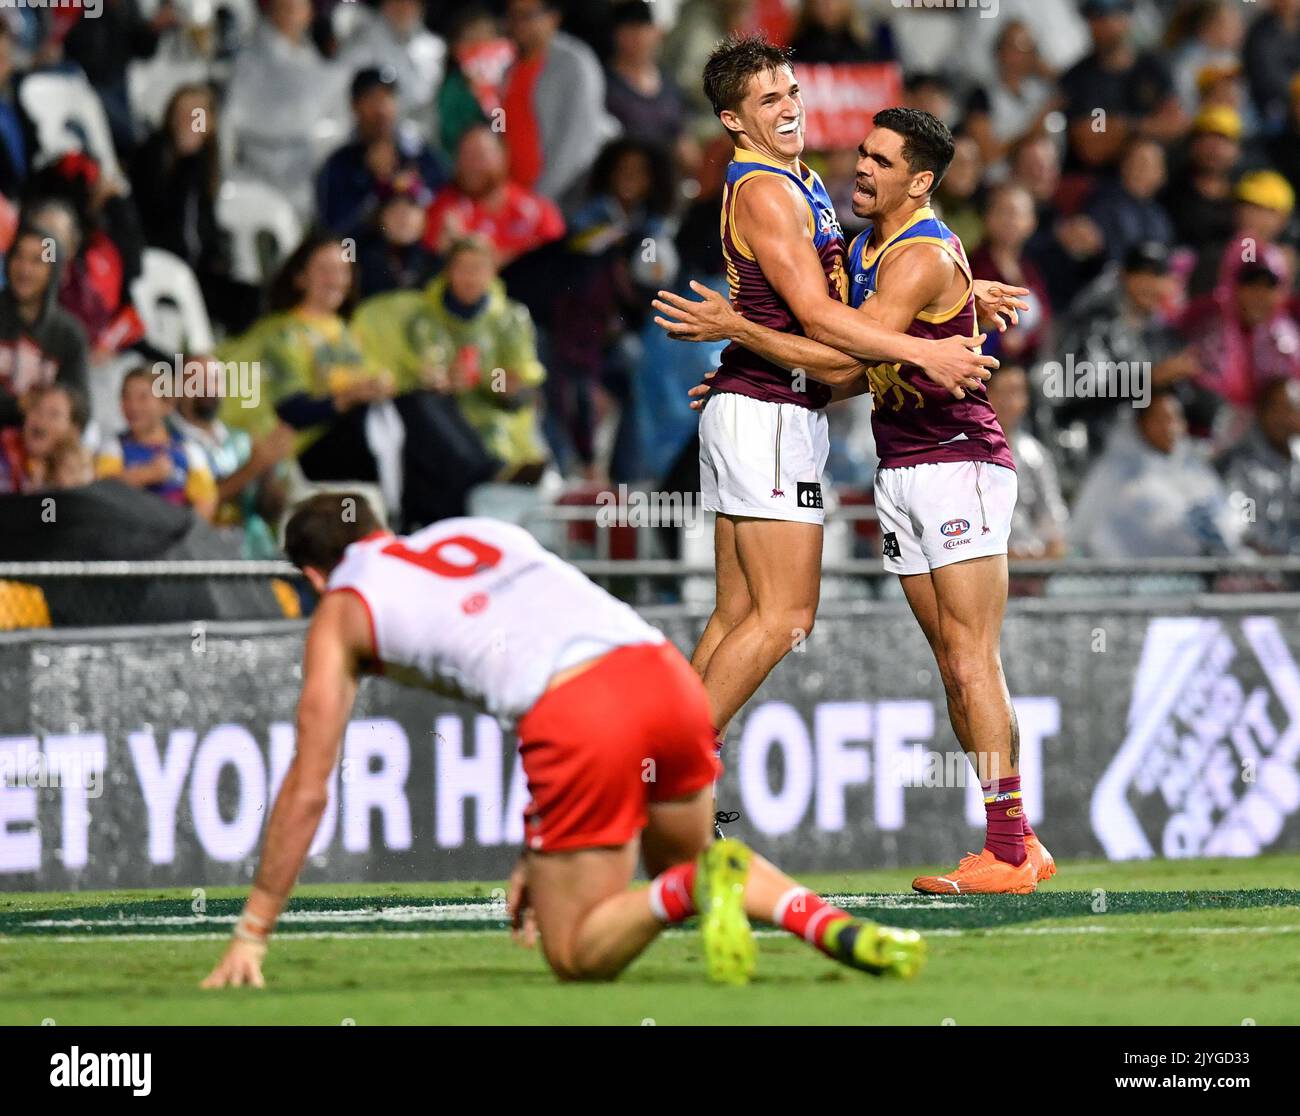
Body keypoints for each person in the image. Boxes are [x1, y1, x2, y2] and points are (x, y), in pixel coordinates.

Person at [199, 493, 926, 988]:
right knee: (688, 869)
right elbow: (547, 635)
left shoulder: (342, 608)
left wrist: (254, 928)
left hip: (581, 714)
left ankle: (705, 879)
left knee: (577, 954)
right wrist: (538, 849)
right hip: (663, 678)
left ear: (314, 573)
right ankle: (832, 926)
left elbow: (309, 781)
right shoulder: (477, 533)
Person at [654, 105, 1053, 893]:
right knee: (952, 662)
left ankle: (1009, 849)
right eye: (862, 154)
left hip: (957, 463)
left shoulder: (914, 256)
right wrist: (747, 369)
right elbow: (864, 342)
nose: (861, 168)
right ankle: (1016, 841)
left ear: (922, 181)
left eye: (880, 160)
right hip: (901, 468)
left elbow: (840, 369)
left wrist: (739, 338)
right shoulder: (875, 245)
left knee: (972, 657)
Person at [352, 236, 549, 480]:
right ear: (448, 271)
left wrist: (483, 379)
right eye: (462, 268)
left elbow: (524, 394)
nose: (470, 277)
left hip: (499, 426)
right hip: (442, 421)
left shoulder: (511, 320)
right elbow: (408, 375)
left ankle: (500, 472)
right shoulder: (422, 318)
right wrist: (435, 380)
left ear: (492, 272)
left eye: (478, 268)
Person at [1070, 389, 1243, 558]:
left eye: (1174, 418)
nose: (1169, 427)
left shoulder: (1194, 469)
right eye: (1159, 419)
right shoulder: (1115, 472)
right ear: (1140, 424)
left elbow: (1226, 520)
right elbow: (1090, 535)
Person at [500, 0, 617, 207]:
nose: (518, 24)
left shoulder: (574, 62)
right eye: (513, 16)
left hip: (559, 203)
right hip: (510, 202)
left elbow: (577, 141)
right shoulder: (506, 65)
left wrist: (539, 200)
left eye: (527, 16)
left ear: (553, 18)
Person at [315, 66, 447, 240]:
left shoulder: (418, 152)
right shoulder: (340, 163)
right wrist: (372, 181)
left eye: (387, 98)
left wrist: (415, 187)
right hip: (360, 260)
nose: (381, 109)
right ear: (355, 106)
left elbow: (445, 203)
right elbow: (334, 228)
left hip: (417, 261)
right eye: (372, 99)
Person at [95, 366, 218, 521]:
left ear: (167, 405)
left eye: (143, 397)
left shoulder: (190, 452)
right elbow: (101, 491)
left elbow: (206, 503)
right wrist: (146, 474)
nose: (132, 406)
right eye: (126, 397)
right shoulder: (113, 448)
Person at [0, 221, 89, 429]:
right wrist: (16, 406)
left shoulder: (69, 334)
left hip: (38, 445)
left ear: (54, 270)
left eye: (36, 261)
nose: (24, 268)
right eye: (18, 257)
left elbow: (80, 410)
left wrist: (46, 406)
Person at [986, 365, 1068, 560]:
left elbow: (1053, 516)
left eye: (1016, 392)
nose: (1008, 401)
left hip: (1031, 566)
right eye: (1000, 392)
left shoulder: (1035, 454)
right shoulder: (962, 453)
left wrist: (1049, 556)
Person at [1216, 376, 1300, 555]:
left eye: (1292, 408)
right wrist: (1259, 548)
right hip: (1258, 570)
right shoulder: (1241, 465)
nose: (1284, 418)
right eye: (1276, 409)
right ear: (1261, 413)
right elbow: (1241, 520)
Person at [0, 382, 89, 494]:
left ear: (73, 430)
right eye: (36, 408)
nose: (42, 417)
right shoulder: (4, 450)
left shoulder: (80, 470)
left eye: (54, 414)